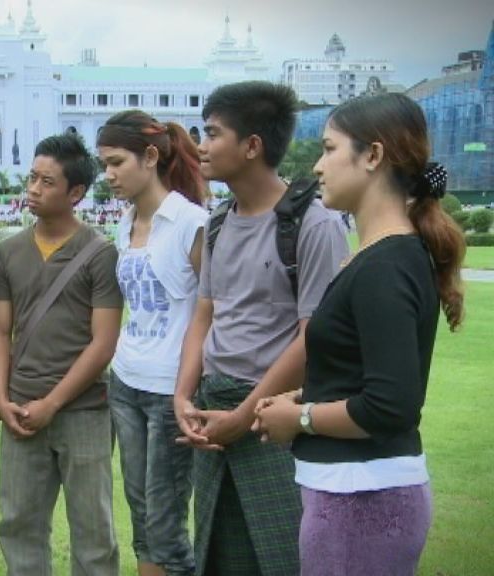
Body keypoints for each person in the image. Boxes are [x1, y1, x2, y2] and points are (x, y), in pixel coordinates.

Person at [253, 93, 465, 576]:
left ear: (373, 155)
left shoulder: (386, 265)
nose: (318, 165)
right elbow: (362, 376)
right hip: (351, 495)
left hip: (363, 499)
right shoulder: (380, 258)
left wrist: (300, 416)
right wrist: (299, 399)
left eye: (329, 148)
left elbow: (390, 405)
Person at [174, 81, 349, 576]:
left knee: (282, 557)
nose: (201, 146)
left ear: (252, 145)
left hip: (274, 418)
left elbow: (312, 337)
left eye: (213, 134)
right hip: (214, 407)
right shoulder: (219, 221)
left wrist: (244, 414)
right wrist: (182, 396)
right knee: (217, 555)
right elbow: (204, 313)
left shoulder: (314, 224)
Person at [0, 133, 123, 576]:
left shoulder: (100, 254)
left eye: (47, 182)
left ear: (76, 193)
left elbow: (103, 343)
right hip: (19, 410)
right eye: (32, 178)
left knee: (94, 534)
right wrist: (1, 399)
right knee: (19, 527)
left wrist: (52, 403)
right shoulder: (8, 252)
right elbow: (0, 330)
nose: (33, 189)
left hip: (84, 411)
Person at [97, 110, 208, 576]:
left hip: (170, 392)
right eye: (103, 164)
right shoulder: (124, 223)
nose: (108, 174)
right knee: (141, 515)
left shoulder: (191, 223)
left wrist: (187, 390)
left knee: (166, 525)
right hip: (125, 382)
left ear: (150, 157)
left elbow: (213, 312)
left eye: (116, 162)